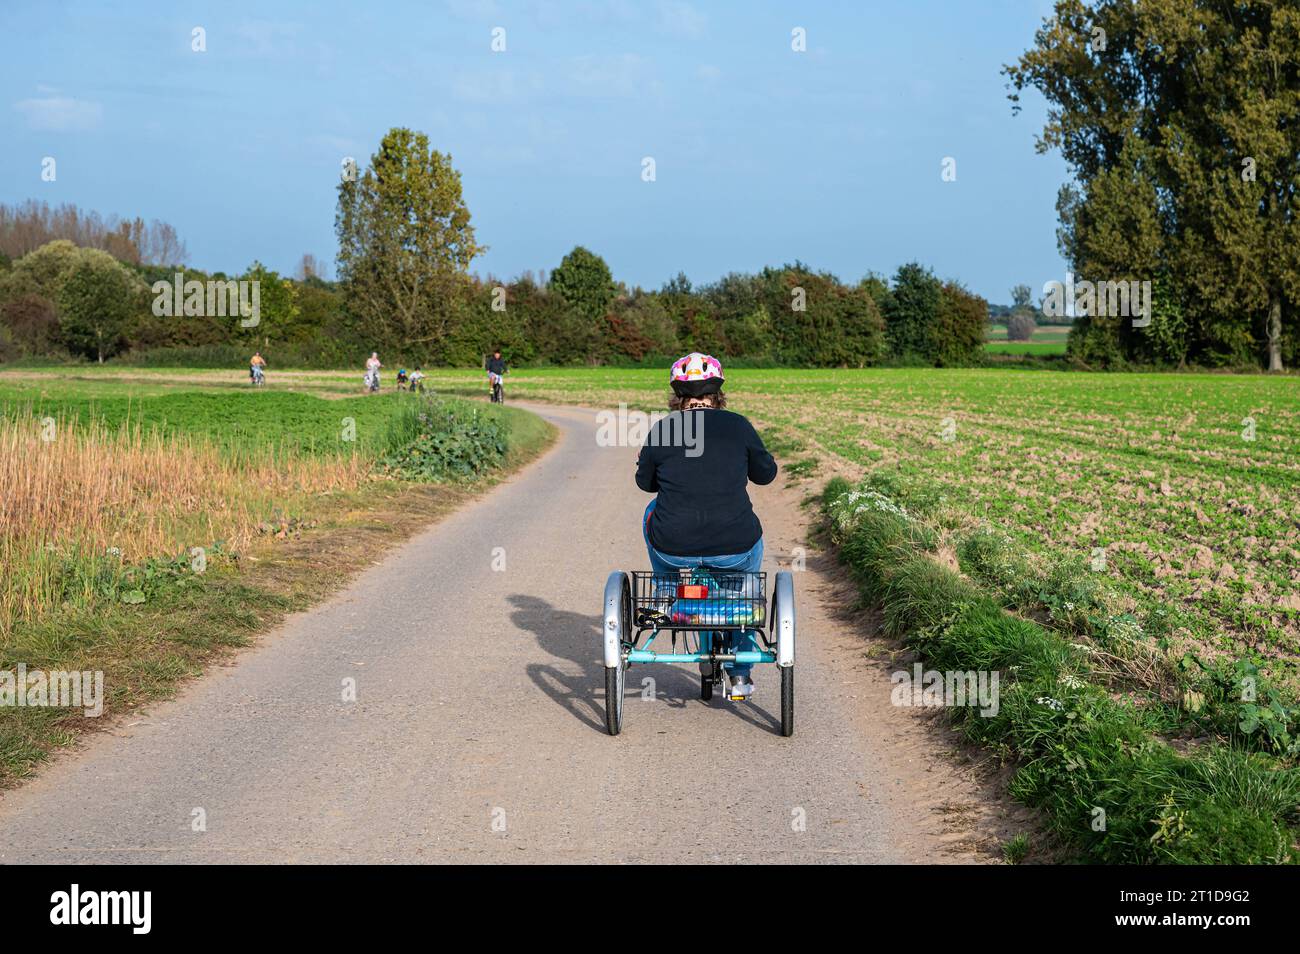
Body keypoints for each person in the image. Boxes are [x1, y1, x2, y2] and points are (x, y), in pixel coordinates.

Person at [635, 352, 778, 701]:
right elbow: (766, 475)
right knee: (745, 586)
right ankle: (740, 673)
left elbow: (645, 484)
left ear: (678, 397)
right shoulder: (739, 426)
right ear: (717, 395)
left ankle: (667, 593)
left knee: (652, 511)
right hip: (734, 546)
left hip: (674, 546)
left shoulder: (664, 429)